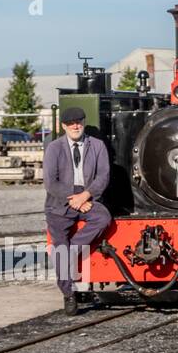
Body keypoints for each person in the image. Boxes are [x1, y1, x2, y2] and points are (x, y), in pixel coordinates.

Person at [42, 107, 112, 315]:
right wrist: (75, 199)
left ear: (83, 122)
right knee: (59, 246)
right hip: (59, 201)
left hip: (88, 196)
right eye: (70, 123)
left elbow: (103, 176)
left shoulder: (97, 145)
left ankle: (74, 250)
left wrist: (86, 196)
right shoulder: (53, 148)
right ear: (63, 126)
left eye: (78, 122)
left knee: (103, 217)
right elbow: (50, 182)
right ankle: (68, 294)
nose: (75, 126)